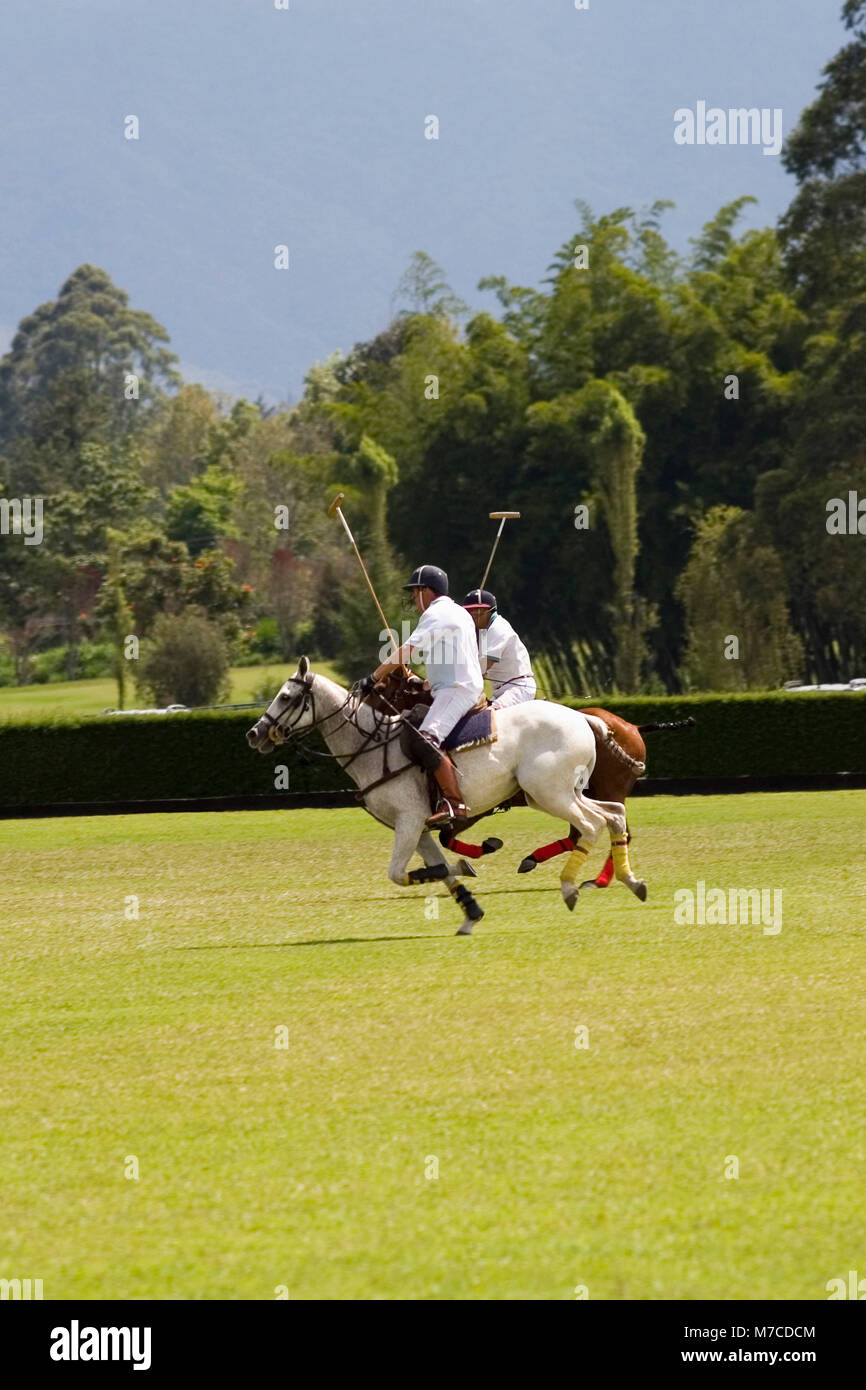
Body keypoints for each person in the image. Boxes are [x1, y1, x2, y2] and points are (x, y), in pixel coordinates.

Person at [365, 565, 484, 827]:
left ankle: (454, 803)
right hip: (455, 686)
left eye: (415, 591)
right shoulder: (456, 612)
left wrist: (374, 677)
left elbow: (406, 651)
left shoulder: (436, 613)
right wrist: (424, 683)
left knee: (426, 738)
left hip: (456, 690)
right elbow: (453, 657)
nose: (413, 598)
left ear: (427, 591)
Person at [461, 589, 536, 707]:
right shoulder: (483, 632)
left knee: (490, 717)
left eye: (477, 610)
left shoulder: (498, 628)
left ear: (489, 611)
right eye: (469, 611)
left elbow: (484, 665)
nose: (472, 615)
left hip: (518, 688)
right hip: (500, 690)